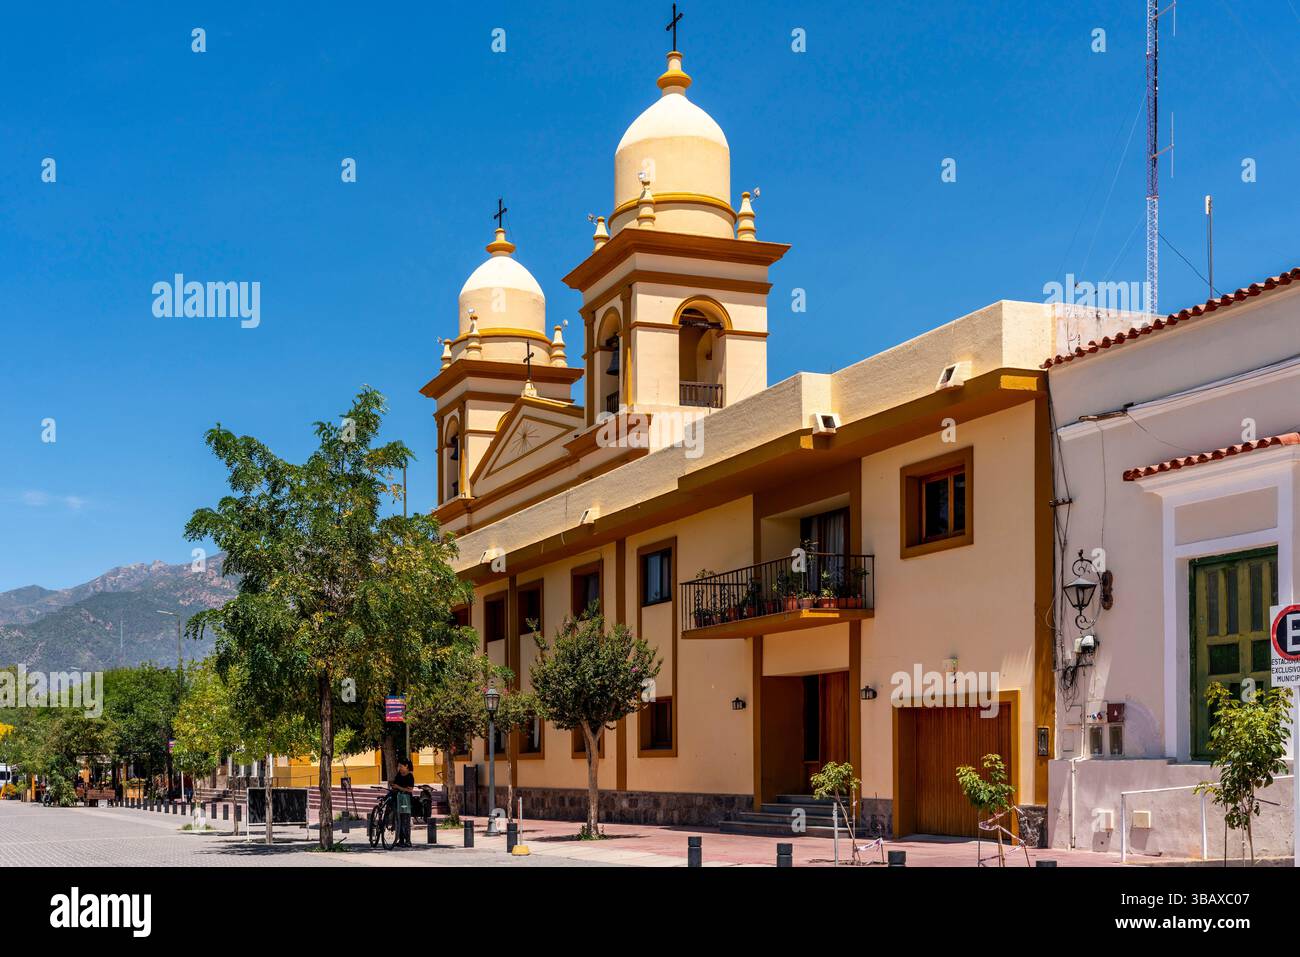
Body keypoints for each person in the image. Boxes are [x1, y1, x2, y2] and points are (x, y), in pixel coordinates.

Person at [390, 757, 416, 847]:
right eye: (398, 766)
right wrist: (394, 786)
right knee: (399, 819)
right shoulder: (398, 775)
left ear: (406, 766)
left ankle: (408, 841)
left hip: (406, 800)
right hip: (398, 799)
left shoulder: (410, 776)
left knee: (405, 820)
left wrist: (398, 787)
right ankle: (401, 840)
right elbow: (395, 785)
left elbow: (410, 790)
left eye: (401, 766)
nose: (399, 768)